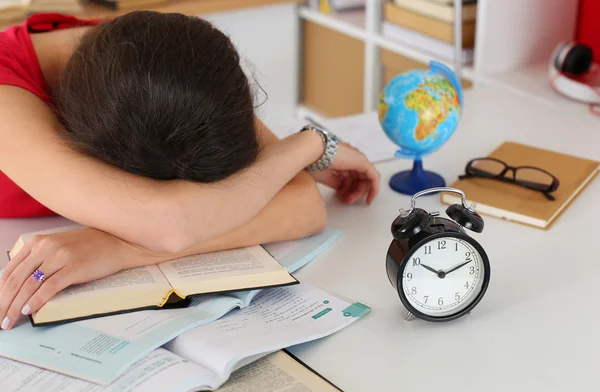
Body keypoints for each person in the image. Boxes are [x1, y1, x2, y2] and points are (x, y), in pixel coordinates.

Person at [0, 11, 381, 330]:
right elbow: (172, 224)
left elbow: (302, 204)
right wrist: (303, 148)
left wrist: (121, 249)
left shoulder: (167, 60)